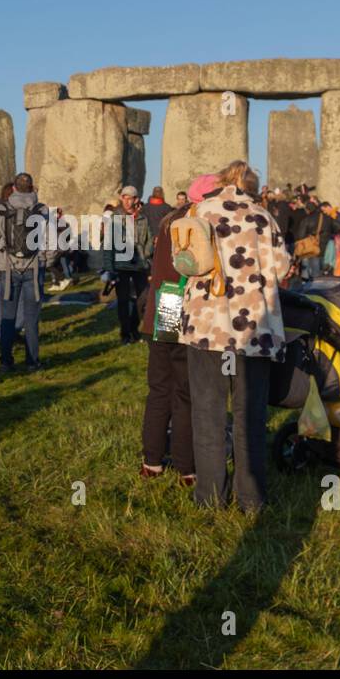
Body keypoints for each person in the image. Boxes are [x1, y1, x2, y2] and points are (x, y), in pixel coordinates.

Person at [180, 161, 291, 513]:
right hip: (251, 331)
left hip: (206, 328)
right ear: (252, 187)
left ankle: (210, 496)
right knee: (250, 415)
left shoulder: (200, 211)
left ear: (223, 181)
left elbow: (181, 262)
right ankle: (251, 498)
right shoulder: (262, 217)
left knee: (207, 413)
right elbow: (283, 266)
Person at [137, 193, 196, 484]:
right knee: (184, 392)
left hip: (165, 300)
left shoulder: (168, 222)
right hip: (183, 303)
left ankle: (152, 461)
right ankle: (187, 467)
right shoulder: (195, 224)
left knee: (160, 387)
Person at [0, 172, 51, 372]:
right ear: (32, 188)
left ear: (13, 188)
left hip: (8, 269)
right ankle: (32, 361)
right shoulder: (42, 210)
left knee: (7, 317)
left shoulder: (3, 209)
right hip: (33, 268)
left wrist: (2, 262)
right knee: (31, 319)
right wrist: (43, 260)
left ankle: (6, 361)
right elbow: (52, 243)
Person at [103, 186, 154, 345]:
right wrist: (109, 268)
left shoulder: (143, 219)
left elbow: (149, 240)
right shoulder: (115, 218)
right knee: (123, 301)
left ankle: (134, 329)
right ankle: (125, 334)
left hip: (139, 266)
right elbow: (109, 244)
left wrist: (145, 256)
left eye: (130, 197)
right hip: (121, 266)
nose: (126, 200)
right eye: (124, 197)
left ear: (136, 200)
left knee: (142, 301)